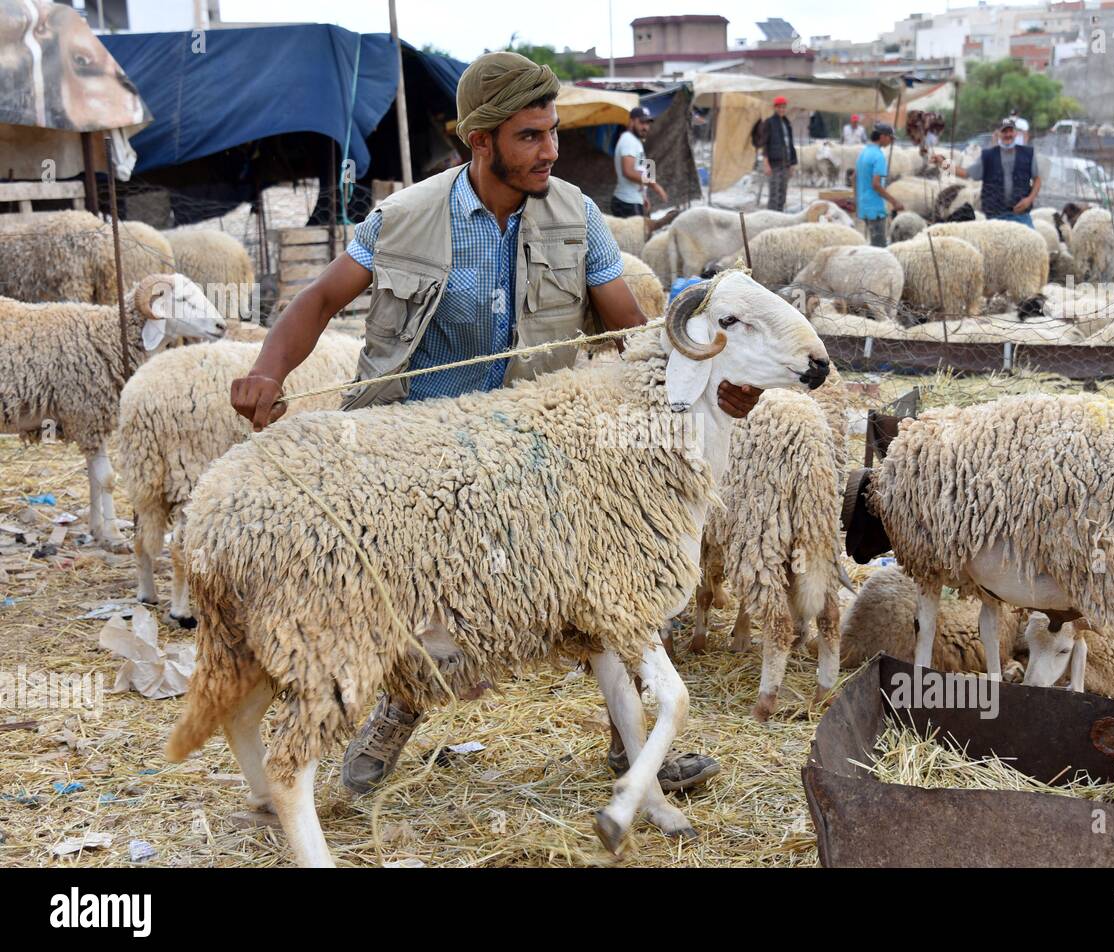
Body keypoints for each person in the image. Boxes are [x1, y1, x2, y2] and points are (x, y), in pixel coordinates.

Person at [229, 51, 759, 797]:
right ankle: (400, 706)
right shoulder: (405, 217)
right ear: (480, 141)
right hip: (423, 452)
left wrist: (715, 385)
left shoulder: (577, 217)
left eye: (550, 133)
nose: (549, 150)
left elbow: (637, 339)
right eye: (529, 137)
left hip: (537, 454)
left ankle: (634, 746)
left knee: (618, 586)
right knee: (422, 601)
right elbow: (317, 300)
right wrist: (267, 371)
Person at [942, 116, 1040, 227]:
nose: (1008, 135)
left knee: (1032, 243)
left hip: (1022, 217)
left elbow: (1037, 179)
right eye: (1004, 131)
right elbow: (966, 173)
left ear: (1016, 133)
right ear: (998, 134)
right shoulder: (988, 156)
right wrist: (943, 163)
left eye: (1010, 131)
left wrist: (1029, 199)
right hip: (996, 218)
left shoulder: (1027, 154)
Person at [612, 106, 666, 217]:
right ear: (631, 122)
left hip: (634, 200)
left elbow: (640, 169)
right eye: (642, 123)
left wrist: (643, 196)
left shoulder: (635, 141)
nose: (645, 127)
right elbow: (628, 172)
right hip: (627, 203)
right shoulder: (628, 140)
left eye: (648, 123)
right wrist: (655, 186)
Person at [856, 122, 903, 247]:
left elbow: (853, 178)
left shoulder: (863, 152)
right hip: (875, 209)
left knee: (872, 244)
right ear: (882, 137)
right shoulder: (879, 156)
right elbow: (876, 185)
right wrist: (895, 202)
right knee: (879, 247)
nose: (892, 141)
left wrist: (857, 200)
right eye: (890, 137)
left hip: (864, 207)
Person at [757, 95, 797, 211]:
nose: (781, 110)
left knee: (782, 194)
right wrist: (766, 163)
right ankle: (772, 218)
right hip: (774, 164)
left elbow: (790, 144)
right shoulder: (769, 122)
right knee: (774, 193)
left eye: (783, 107)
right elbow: (764, 144)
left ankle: (780, 217)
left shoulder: (787, 123)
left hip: (786, 163)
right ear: (775, 108)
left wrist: (792, 164)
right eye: (779, 107)